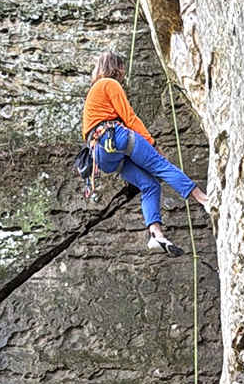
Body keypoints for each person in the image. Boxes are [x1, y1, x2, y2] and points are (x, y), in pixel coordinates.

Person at [82, 50, 208, 257]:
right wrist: (153, 143)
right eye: (122, 69)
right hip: (115, 137)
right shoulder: (109, 84)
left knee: (150, 184)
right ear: (117, 68)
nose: (124, 73)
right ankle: (204, 200)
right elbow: (129, 118)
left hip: (101, 156)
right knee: (162, 166)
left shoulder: (92, 95)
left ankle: (156, 235)